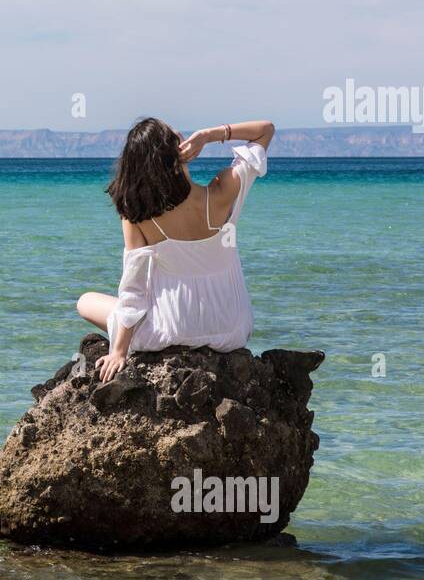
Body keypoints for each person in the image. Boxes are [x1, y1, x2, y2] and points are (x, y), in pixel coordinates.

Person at [76, 117, 276, 382]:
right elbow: (265, 131)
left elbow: (134, 290)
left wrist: (119, 351)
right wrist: (210, 134)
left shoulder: (136, 213)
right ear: (179, 149)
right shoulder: (223, 189)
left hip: (171, 330)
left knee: (85, 301)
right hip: (231, 328)